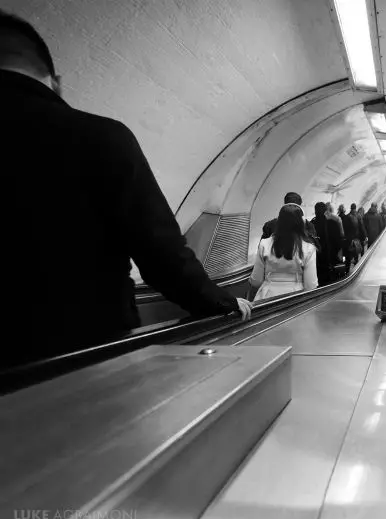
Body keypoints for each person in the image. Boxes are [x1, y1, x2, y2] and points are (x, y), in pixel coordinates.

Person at [1, 11, 251, 364]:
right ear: (55, 81)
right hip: (87, 360)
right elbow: (160, 253)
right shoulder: (99, 138)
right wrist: (220, 302)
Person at [250, 204, 318, 300]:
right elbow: (311, 284)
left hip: (266, 296)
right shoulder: (308, 248)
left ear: (279, 222)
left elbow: (256, 281)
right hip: (296, 296)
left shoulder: (264, 244)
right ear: (301, 223)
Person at [312, 202, 343, 286]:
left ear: (315, 211)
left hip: (315, 261)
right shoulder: (333, 223)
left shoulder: (311, 224)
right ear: (325, 211)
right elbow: (338, 242)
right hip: (329, 260)